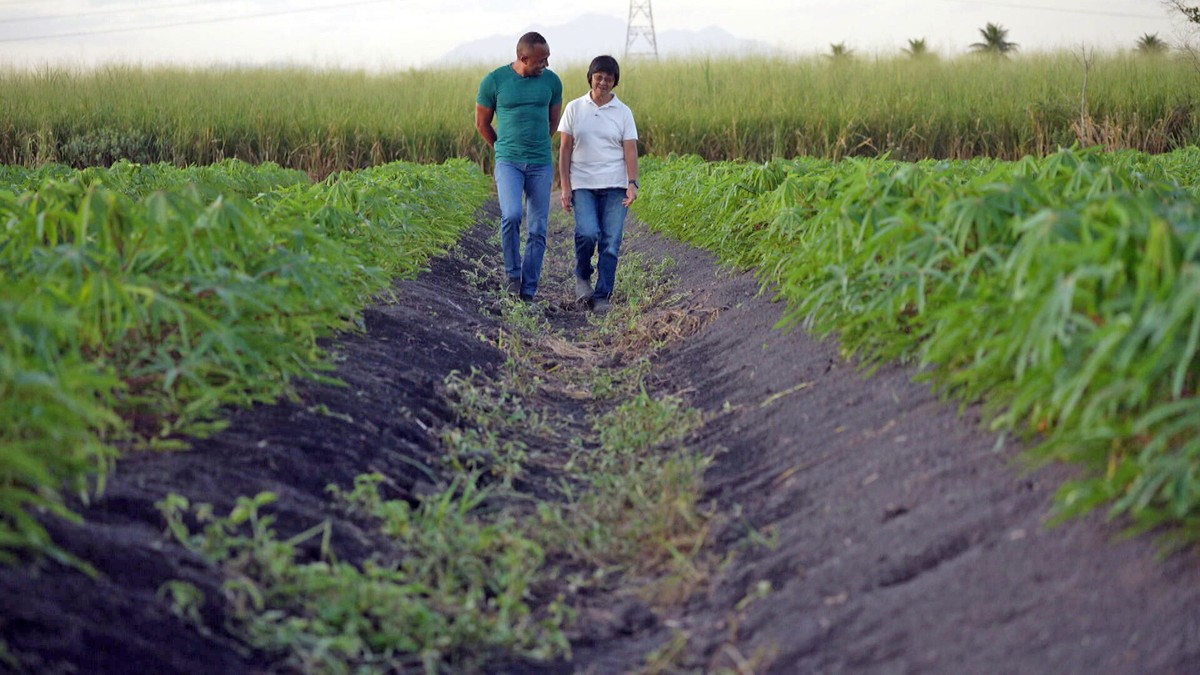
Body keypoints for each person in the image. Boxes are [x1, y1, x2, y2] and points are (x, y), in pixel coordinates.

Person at [475, 31, 563, 301]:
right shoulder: (494, 81)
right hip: (508, 162)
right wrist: (502, 149)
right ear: (523, 57)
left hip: (540, 163)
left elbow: (553, 122)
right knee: (511, 214)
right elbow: (482, 124)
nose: (545, 65)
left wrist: (535, 145)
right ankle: (513, 275)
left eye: (547, 59)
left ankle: (528, 290)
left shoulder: (552, 82)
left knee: (538, 228)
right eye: (540, 60)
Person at [557, 54, 639, 314]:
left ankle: (602, 294)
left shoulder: (623, 112)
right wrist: (565, 186)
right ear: (590, 78)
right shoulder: (574, 108)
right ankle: (583, 275)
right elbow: (565, 150)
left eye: (609, 78)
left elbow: (630, 151)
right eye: (599, 77)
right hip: (583, 184)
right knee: (588, 233)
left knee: (611, 242)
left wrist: (632, 183)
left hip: (615, 184)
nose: (603, 82)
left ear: (615, 82)